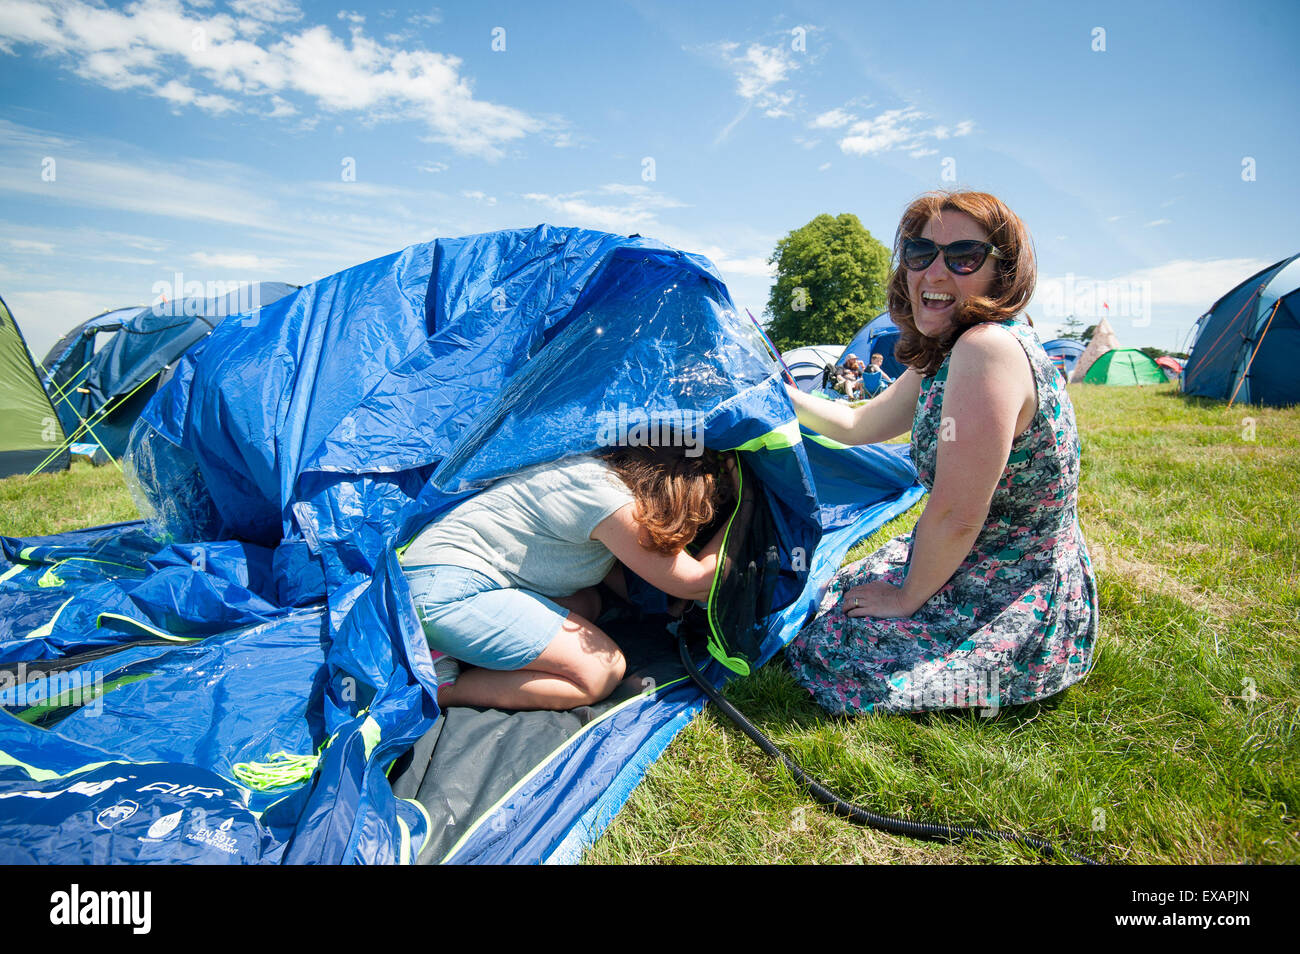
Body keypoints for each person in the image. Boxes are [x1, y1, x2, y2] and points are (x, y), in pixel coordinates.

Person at [783, 190, 1098, 714]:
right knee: (818, 601)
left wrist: (906, 599)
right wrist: (774, 395)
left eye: (964, 257)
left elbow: (956, 514)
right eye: (920, 252)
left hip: (1014, 581)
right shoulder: (950, 349)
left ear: (1003, 272)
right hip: (975, 554)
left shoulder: (985, 350)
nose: (935, 271)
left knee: (823, 648)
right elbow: (860, 422)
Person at [400, 444, 735, 711]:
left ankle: (451, 646)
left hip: (438, 577)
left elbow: (634, 576)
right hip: (447, 593)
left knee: (587, 603)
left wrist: (666, 608)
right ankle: (447, 689)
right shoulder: (615, 505)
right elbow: (697, 581)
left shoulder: (595, 472)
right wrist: (743, 509)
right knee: (599, 672)